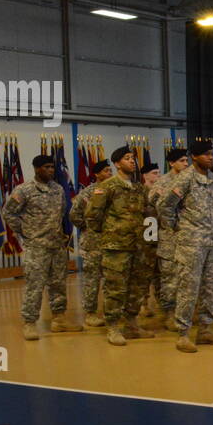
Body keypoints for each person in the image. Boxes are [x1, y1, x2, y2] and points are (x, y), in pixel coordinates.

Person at [158, 139, 213, 352]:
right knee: (188, 289)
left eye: (211, 154)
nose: (210, 157)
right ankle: (183, 334)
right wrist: (178, 228)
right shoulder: (185, 178)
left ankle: (205, 329)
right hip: (191, 244)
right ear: (194, 157)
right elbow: (164, 206)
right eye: (206, 154)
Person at [3, 154, 81, 340]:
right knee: (35, 286)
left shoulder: (59, 189)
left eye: (52, 167)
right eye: (47, 167)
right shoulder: (24, 190)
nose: (51, 170)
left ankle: (59, 319)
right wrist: (26, 231)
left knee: (59, 284)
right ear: (37, 169)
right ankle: (30, 323)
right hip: (37, 246)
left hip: (56, 245)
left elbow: (62, 212)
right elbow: (9, 213)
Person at [85, 146, 154, 346]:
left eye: (133, 158)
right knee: (115, 288)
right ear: (116, 164)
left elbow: (147, 215)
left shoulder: (140, 188)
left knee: (137, 287)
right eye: (126, 158)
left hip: (139, 246)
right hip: (116, 247)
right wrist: (109, 234)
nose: (132, 161)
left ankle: (132, 323)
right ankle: (113, 326)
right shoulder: (107, 187)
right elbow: (92, 216)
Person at [69, 158, 112, 326]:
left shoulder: (114, 190)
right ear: (96, 174)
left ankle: (111, 311)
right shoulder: (87, 192)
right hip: (93, 244)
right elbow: (74, 214)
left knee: (112, 279)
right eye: (106, 171)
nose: (109, 174)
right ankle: (91, 313)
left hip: (112, 243)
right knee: (92, 280)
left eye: (110, 170)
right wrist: (87, 228)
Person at [151, 147, 189, 331]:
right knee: (169, 279)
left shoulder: (191, 180)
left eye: (186, 160)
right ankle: (167, 313)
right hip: (169, 239)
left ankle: (183, 313)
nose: (185, 164)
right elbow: (153, 202)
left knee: (184, 279)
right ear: (172, 163)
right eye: (181, 160)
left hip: (187, 239)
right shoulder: (163, 182)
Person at [139, 161, 161, 319]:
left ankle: (163, 303)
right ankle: (143, 304)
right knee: (145, 274)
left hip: (162, 237)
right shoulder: (141, 192)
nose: (158, 176)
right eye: (154, 173)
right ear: (145, 175)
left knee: (161, 274)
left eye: (159, 173)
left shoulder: (162, 191)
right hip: (146, 237)